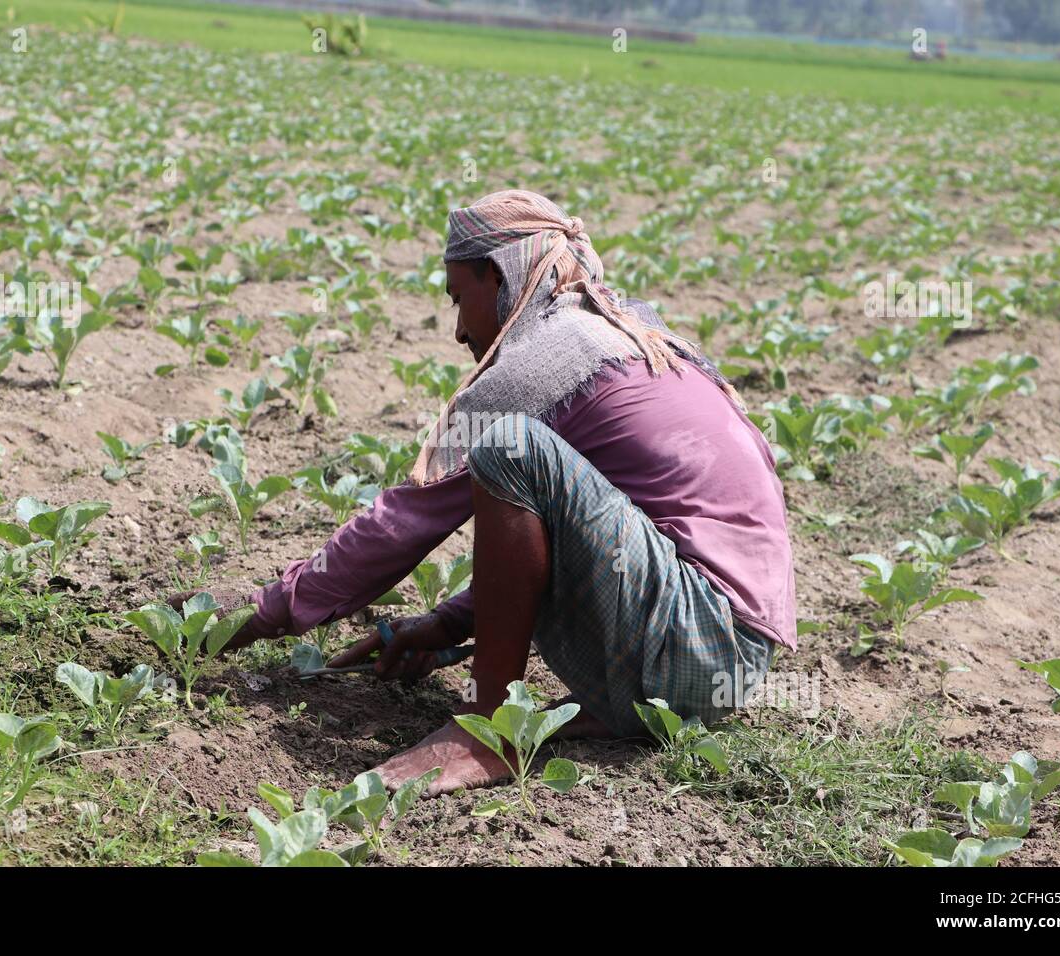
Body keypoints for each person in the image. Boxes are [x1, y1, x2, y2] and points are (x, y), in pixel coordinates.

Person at [172, 189, 796, 795]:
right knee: (531, 464)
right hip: (724, 670)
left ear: (498, 277)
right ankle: (614, 710)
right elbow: (587, 534)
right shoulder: (626, 338)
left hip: (697, 639)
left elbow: (405, 522)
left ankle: (487, 727)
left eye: (457, 298)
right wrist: (445, 623)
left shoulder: (551, 357)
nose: (458, 331)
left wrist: (255, 617)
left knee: (509, 448)